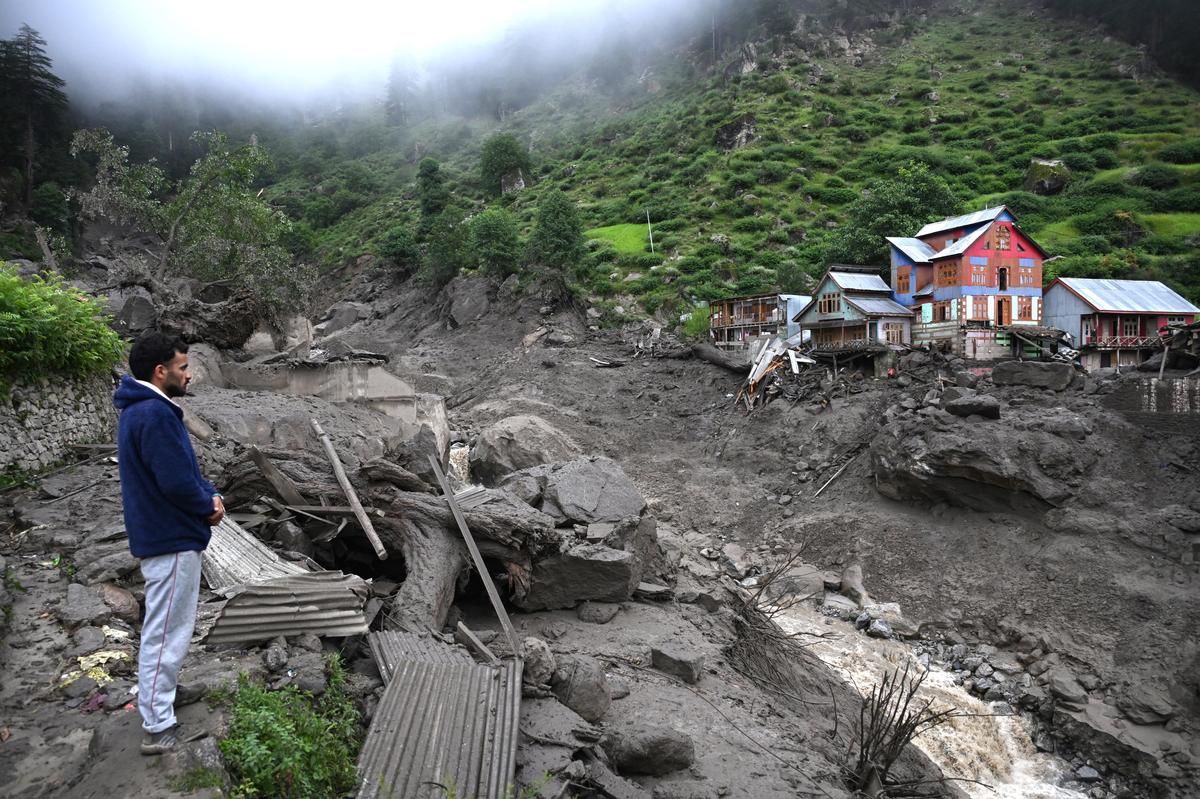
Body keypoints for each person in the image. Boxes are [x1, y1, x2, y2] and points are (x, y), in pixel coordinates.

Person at [113, 332, 224, 755]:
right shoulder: (154, 414)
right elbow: (176, 482)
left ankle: (166, 693)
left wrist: (209, 493)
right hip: (169, 536)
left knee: (169, 626)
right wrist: (208, 505)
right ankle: (158, 724)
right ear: (161, 371)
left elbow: (185, 471)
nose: (189, 374)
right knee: (165, 632)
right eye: (183, 367)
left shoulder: (143, 410)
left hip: (162, 532)